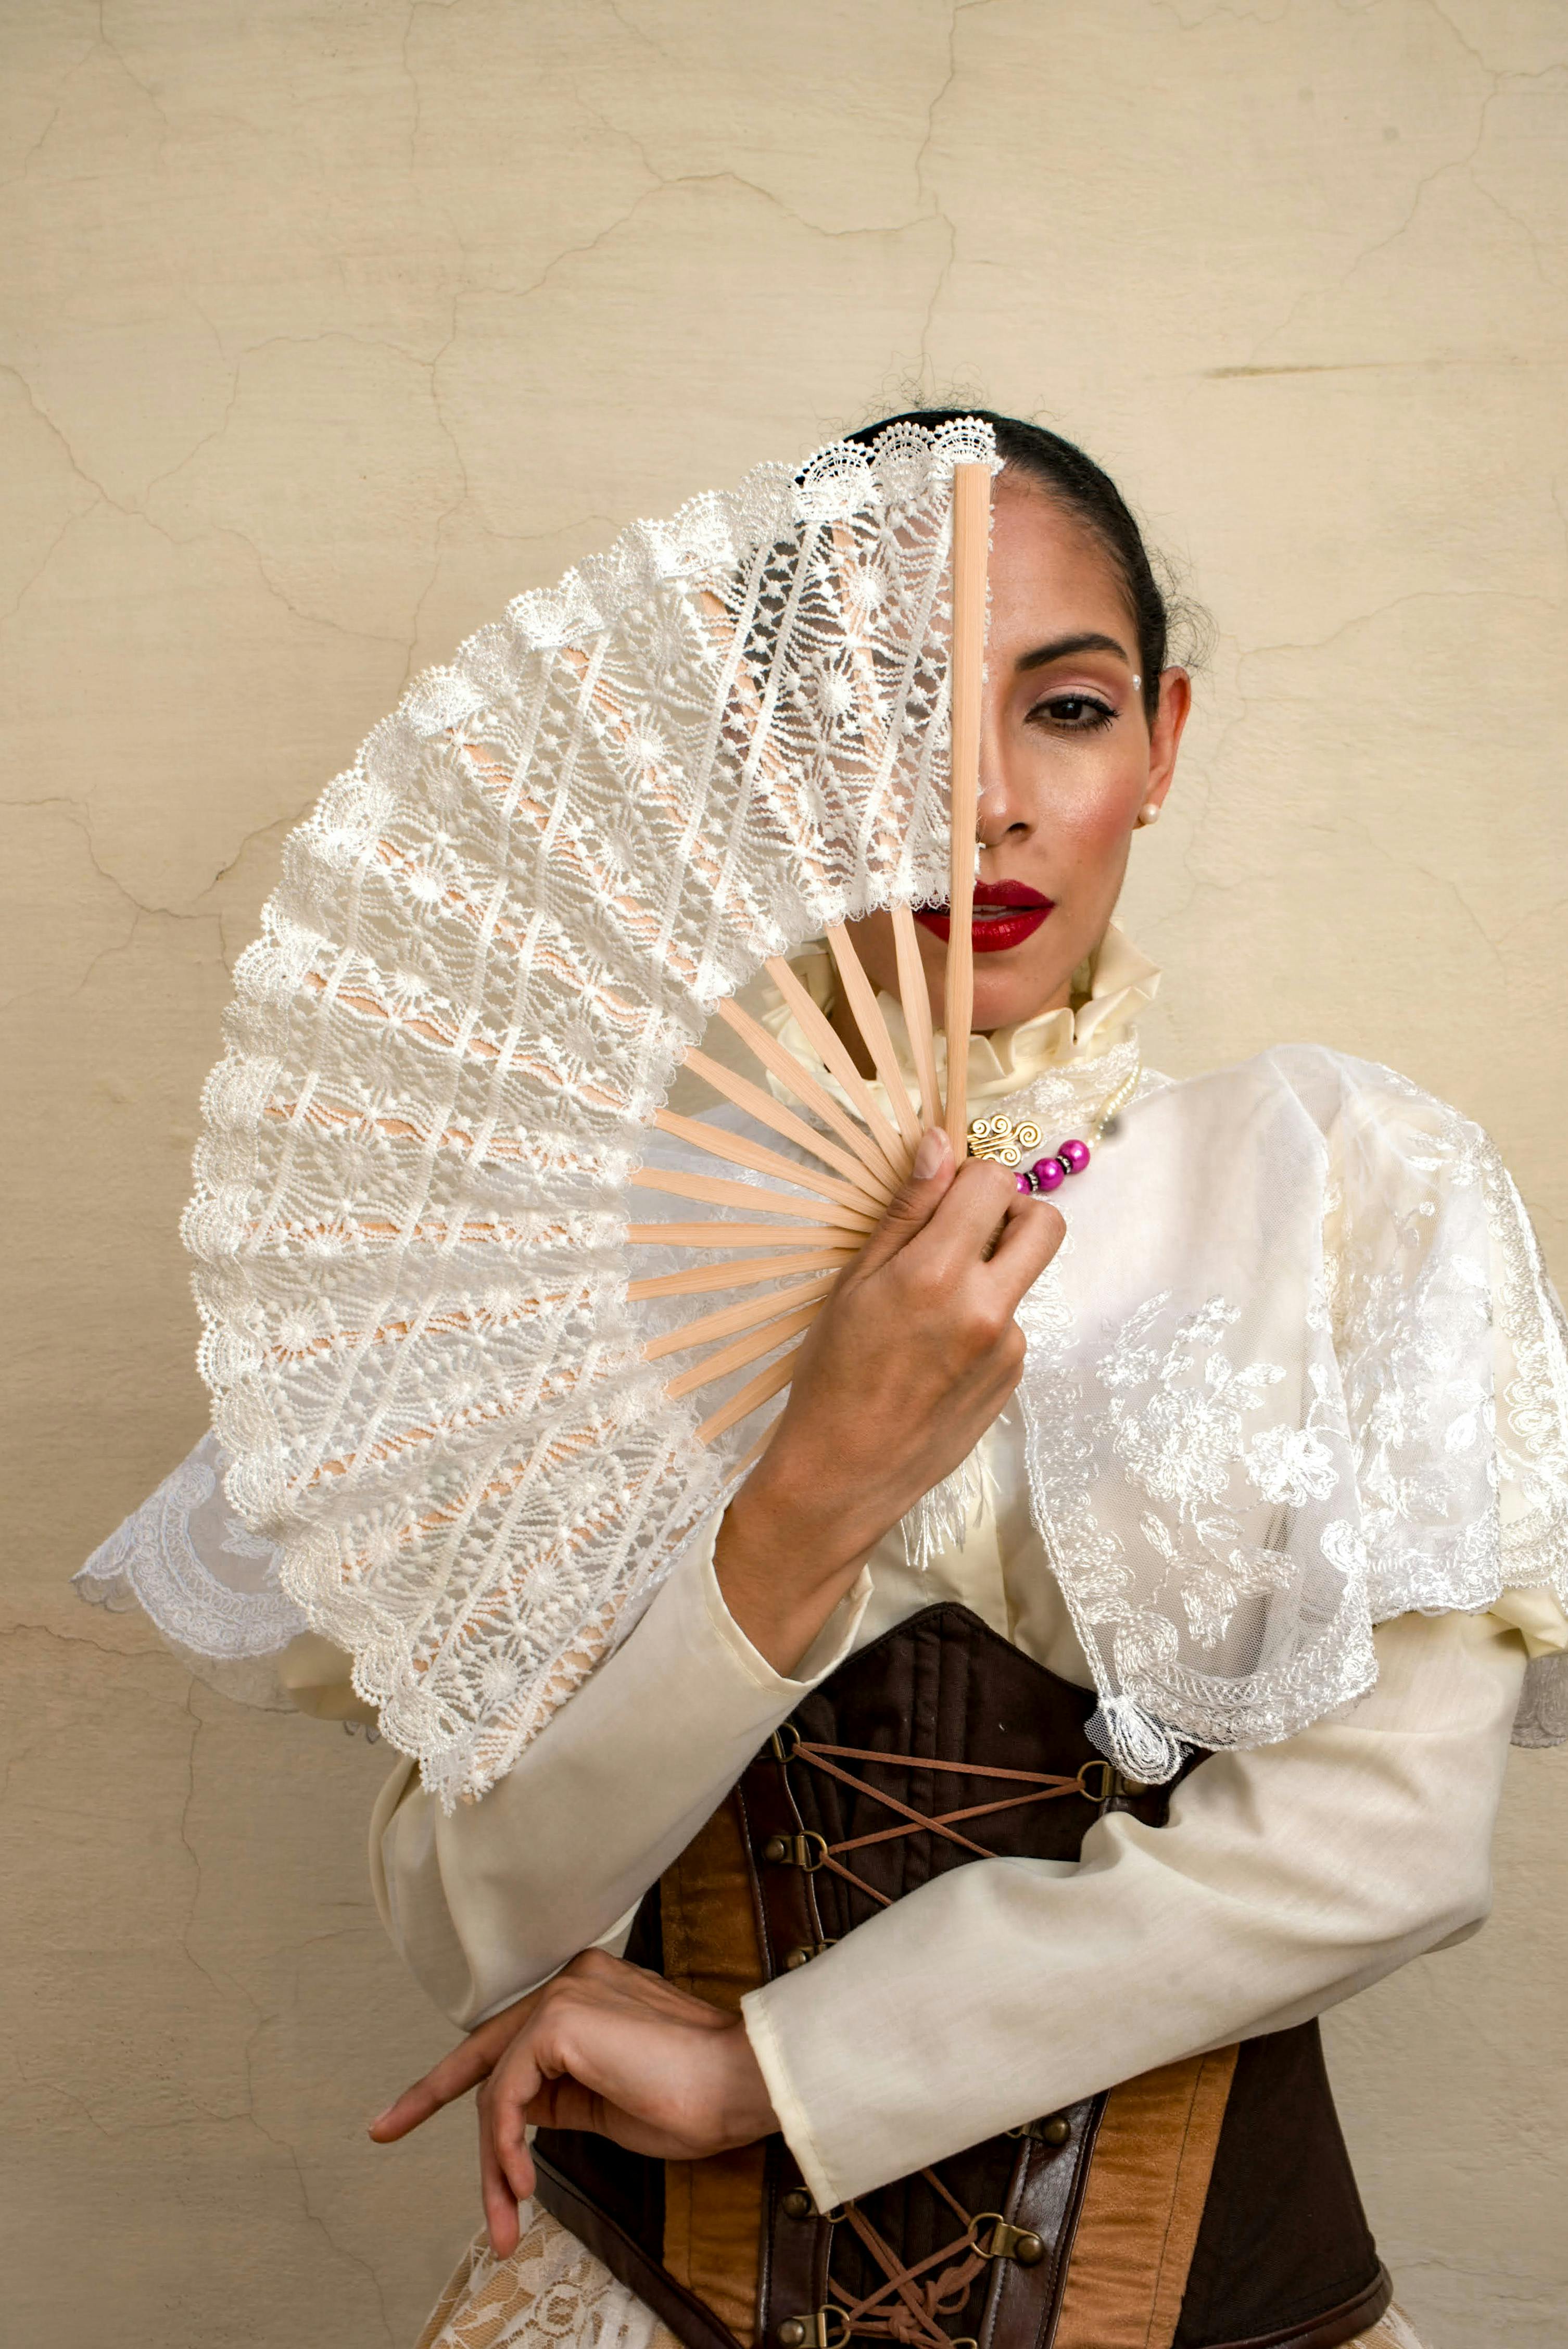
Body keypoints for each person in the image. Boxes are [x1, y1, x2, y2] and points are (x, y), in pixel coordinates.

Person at [358, 412, 1568, 2349]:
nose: (978, 803)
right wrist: (810, 1497)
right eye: (874, 722)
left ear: (1160, 742)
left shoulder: (1346, 1191)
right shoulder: (565, 1254)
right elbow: (470, 1928)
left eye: (1063, 710)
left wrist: (775, 2066)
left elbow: (1386, 1853)